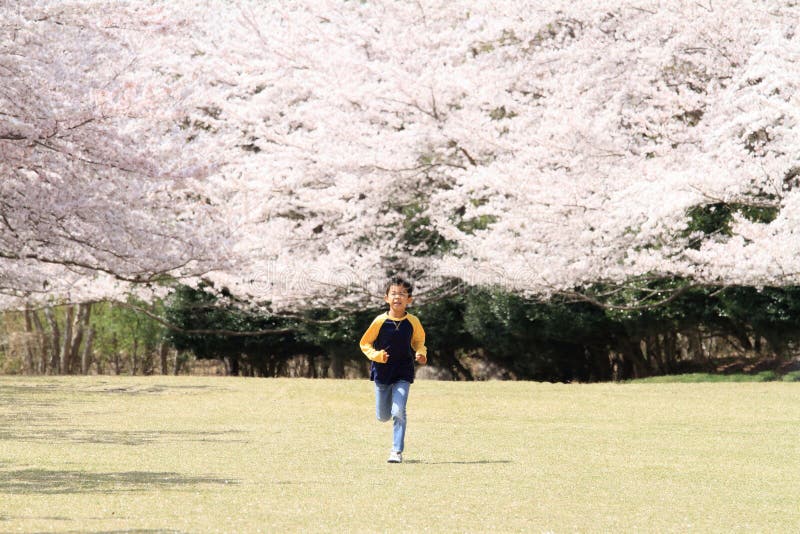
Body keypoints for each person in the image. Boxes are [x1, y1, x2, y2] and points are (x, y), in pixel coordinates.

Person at [359, 277, 427, 463]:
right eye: (394, 294)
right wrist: (377, 356)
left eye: (402, 294)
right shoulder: (380, 321)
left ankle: (396, 451)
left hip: (403, 372)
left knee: (399, 411)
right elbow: (365, 343)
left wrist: (421, 353)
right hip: (382, 373)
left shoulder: (413, 321)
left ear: (409, 300)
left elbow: (419, 342)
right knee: (383, 416)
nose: (398, 297)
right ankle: (384, 414)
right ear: (386, 298)